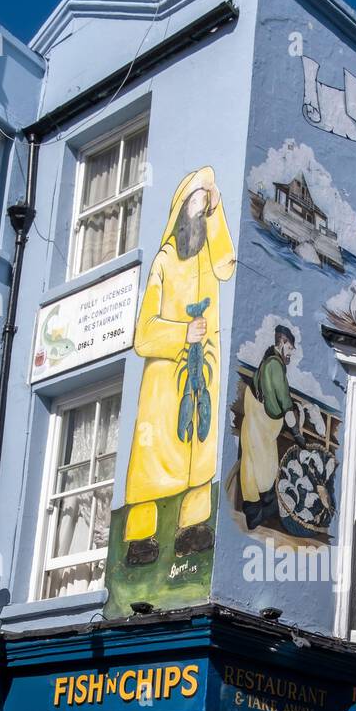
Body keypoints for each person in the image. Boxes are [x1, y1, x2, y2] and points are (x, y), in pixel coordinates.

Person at [123, 166, 235, 565]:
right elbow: (143, 335)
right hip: (164, 381)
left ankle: (192, 527)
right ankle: (140, 537)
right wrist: (182, 333)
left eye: (205, 202)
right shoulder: (163, 262)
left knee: (201, 448)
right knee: (154, 454)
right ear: (180, 209)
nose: (200, 208)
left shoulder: (209, 258)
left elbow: (228, 265)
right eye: (196, 201)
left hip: (204, 373)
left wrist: (219, 210)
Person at [240, 324, 305, 530]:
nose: (291, 354)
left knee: (249, 467)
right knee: (265, 468)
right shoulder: (275, 366)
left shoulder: (266, 362)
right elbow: (285, 403)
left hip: (253, 418)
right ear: (283, 342)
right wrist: (296, 433)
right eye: (291, 348)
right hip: (262, 424)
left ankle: (253, 513)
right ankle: (264, 511)